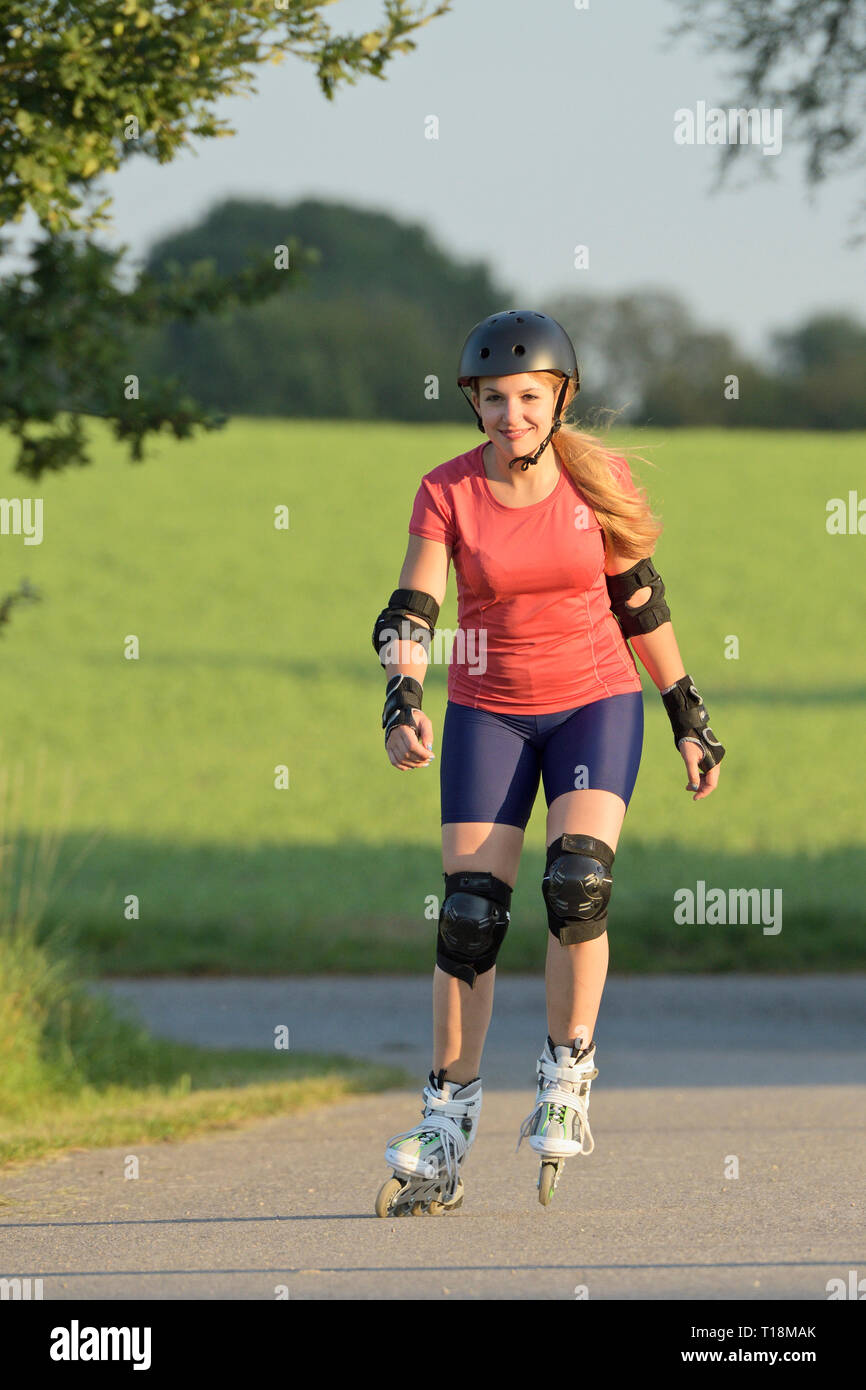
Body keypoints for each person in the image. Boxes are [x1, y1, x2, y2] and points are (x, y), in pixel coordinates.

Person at [371, 309, 725, 1214]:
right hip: (488, 710)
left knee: (576, 887)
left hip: (594, 704)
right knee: (468, 917)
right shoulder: (445, 490)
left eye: (529, 397)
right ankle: (445, 1122)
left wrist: (687, 712)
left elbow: (641, 603)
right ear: (475, 403)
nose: (510, 414)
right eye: (493, 398)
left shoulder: (589, 481)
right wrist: (403, 694)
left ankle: (567, 1073)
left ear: (560, 397)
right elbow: (414, 604)